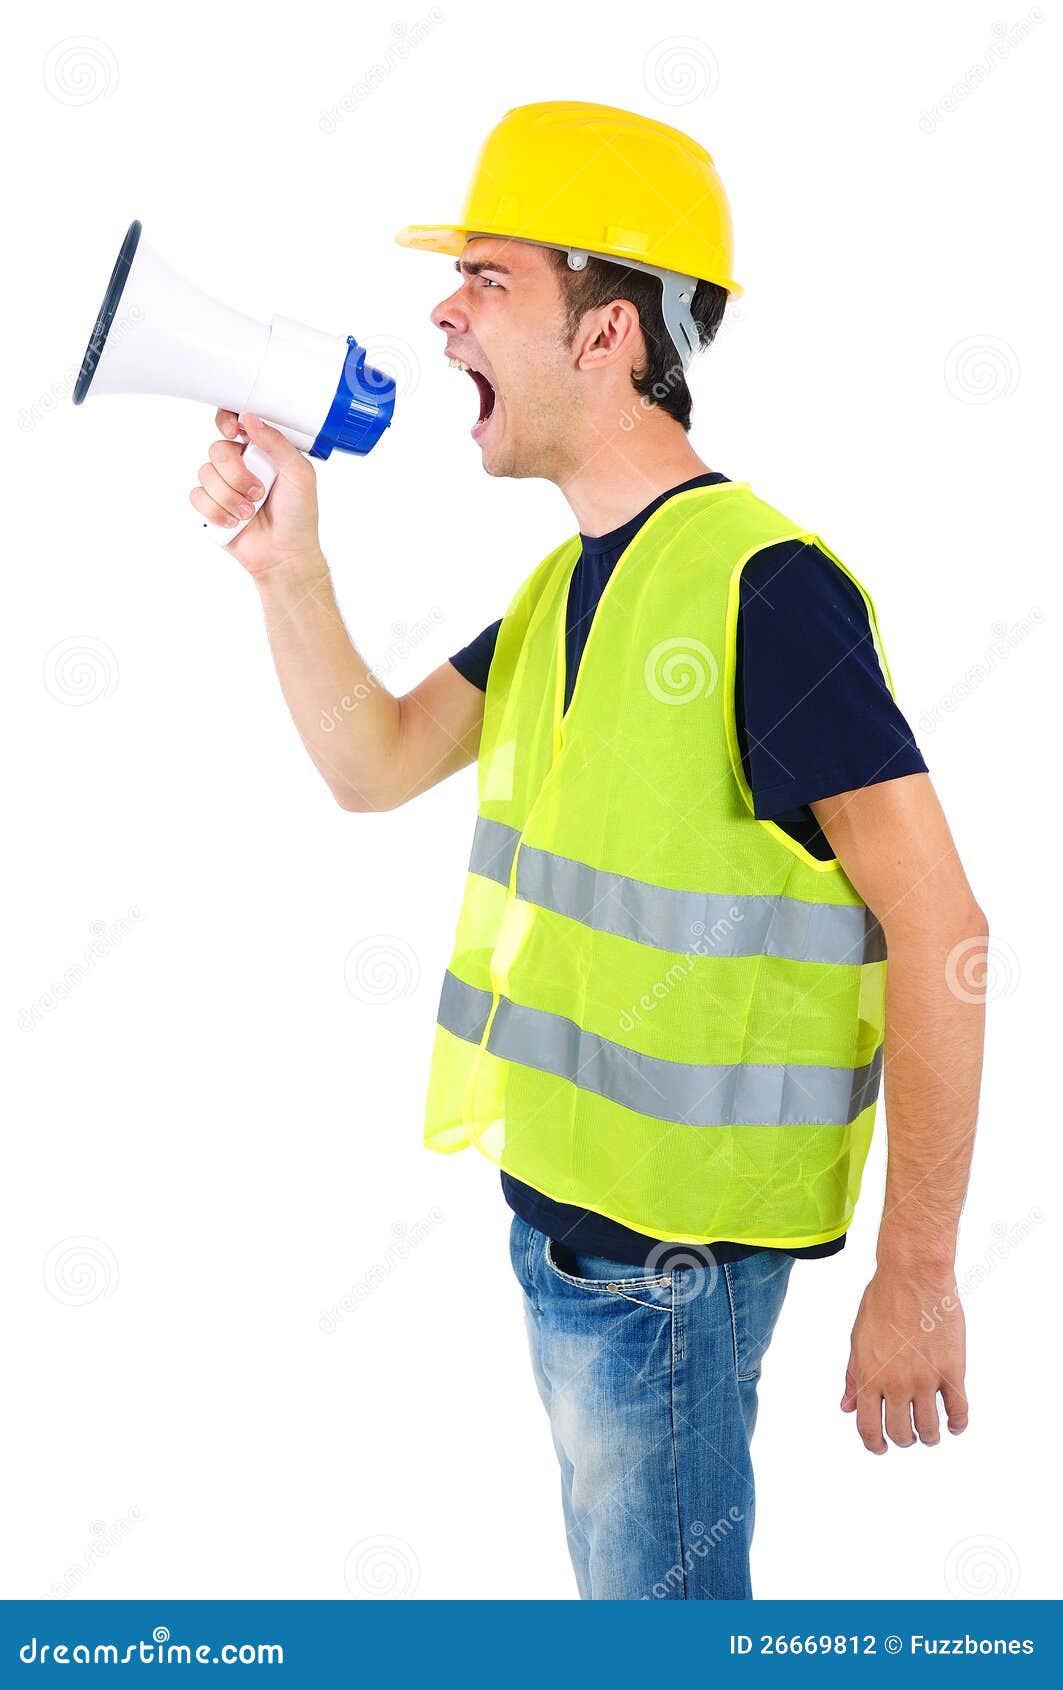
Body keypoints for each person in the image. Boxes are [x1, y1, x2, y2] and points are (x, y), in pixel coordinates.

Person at [190, 102, 987, 1601]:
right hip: (565, 1245)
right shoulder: (569, 586)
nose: (443, 308)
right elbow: (374, 760)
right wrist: (286, 561)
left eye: (488, 279)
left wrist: (920, 1270)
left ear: (608, 332)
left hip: (669, 1279)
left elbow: (950, 927)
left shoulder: (767, 594)